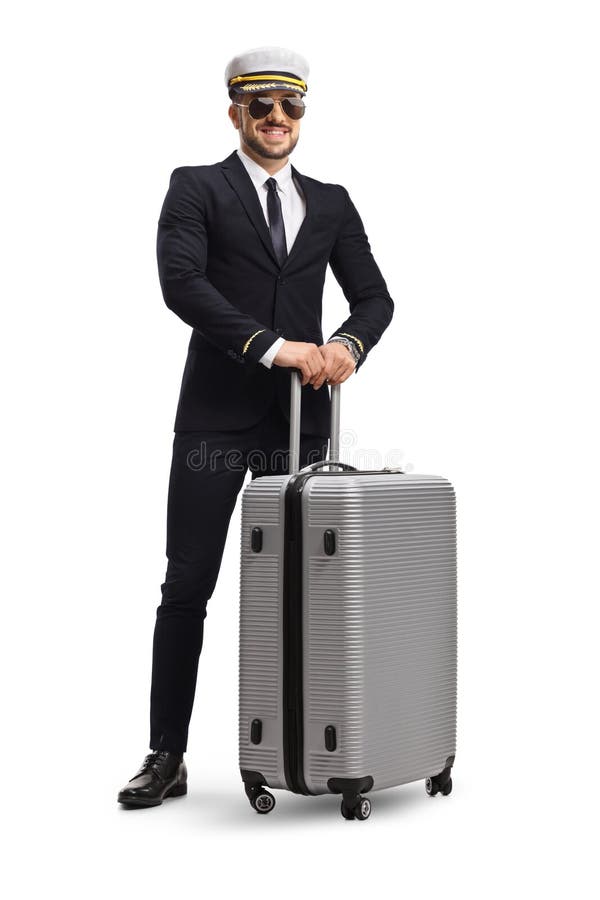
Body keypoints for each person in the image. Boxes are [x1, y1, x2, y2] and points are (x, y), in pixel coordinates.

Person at [117, 45, 394, 807]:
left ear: (304, 112)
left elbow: (375, 298)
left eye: (290, 106)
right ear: (235, 111)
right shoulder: (196, 187)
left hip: (301, 425)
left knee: (317, 588)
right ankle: (165, 755)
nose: (277, 118)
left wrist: (345, 345)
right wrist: (273, 347)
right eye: (261, 105)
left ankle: (319, 741)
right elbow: (183, 283)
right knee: (189, 584)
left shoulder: (331, 201)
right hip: (215, 419)